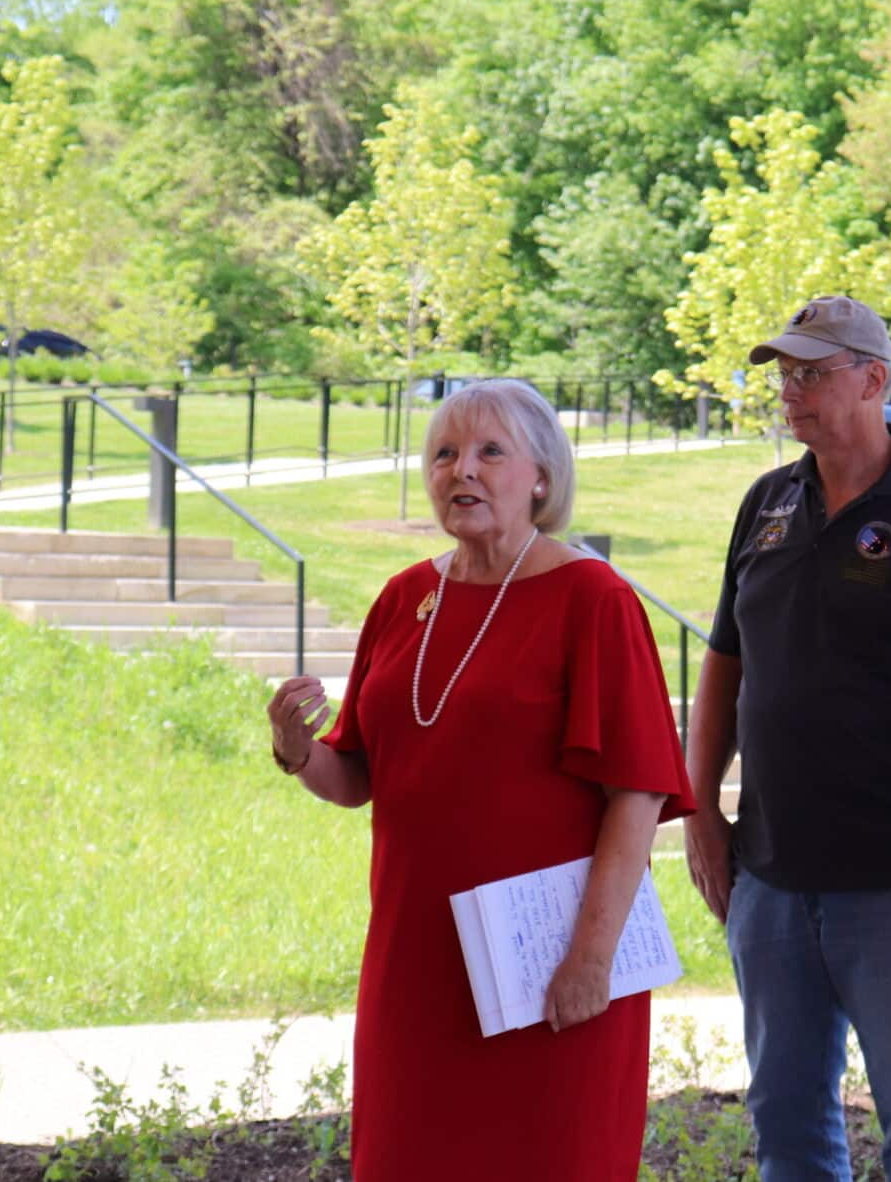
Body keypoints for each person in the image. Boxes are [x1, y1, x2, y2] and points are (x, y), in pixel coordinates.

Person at [266, 378, 694, 1180]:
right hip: (418, 959)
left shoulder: (594, 598)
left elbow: (637, 793)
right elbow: (354, 774)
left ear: (541, 475)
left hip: (548, 959)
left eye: (489, 452)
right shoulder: (404, 599)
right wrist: (296, 748)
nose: (461, 470)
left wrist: (590, 959)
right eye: (443, 455)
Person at [682, 295, 891, 1181]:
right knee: (786, 1122)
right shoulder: (766, 503)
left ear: (874, 381)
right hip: (771, 873)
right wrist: (699, 811)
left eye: (813, 373)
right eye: (785, 374)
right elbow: (725, 664)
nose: (791, 392)